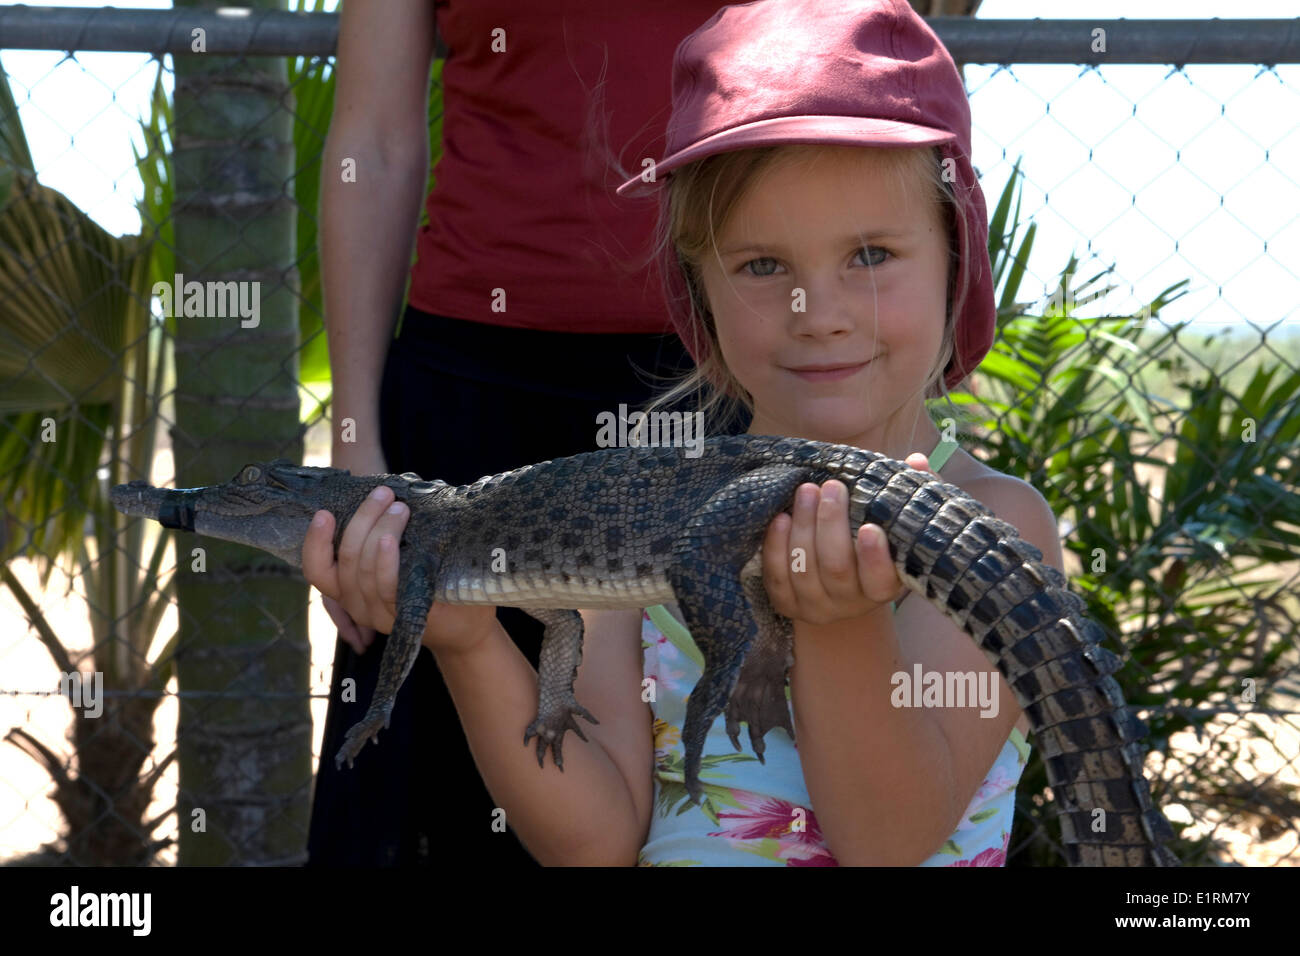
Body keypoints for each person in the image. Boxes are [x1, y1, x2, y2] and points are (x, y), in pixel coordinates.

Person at [304, 0, 1065, 865]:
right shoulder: (633, 517)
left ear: (957, 258)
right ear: (697, 292)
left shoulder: (994, 525)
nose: (818, 313)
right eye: (762, 265)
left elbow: (887, 841)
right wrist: (470, 639)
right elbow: (593, 843)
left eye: (870, 256)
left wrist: (839, 622)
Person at [307, 1, 732, 867]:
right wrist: (355, 440)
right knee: (428, 807)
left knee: (720, 795)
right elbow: (374, 143)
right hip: (470, 393)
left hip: (725, 375)